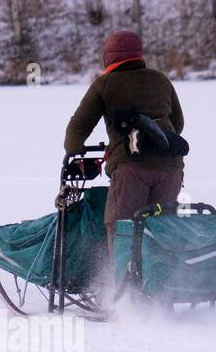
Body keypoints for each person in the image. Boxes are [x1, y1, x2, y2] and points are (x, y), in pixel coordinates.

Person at [64, 30, 186, 248]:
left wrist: (73, 148)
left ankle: (121, 272)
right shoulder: (160, 79)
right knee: (161, 230)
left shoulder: (105, 83)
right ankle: (161, 269)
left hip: (131, 169)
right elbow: (178, 124)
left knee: (122, 229)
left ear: (108, 57)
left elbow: (78, 127)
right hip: (171, 168)